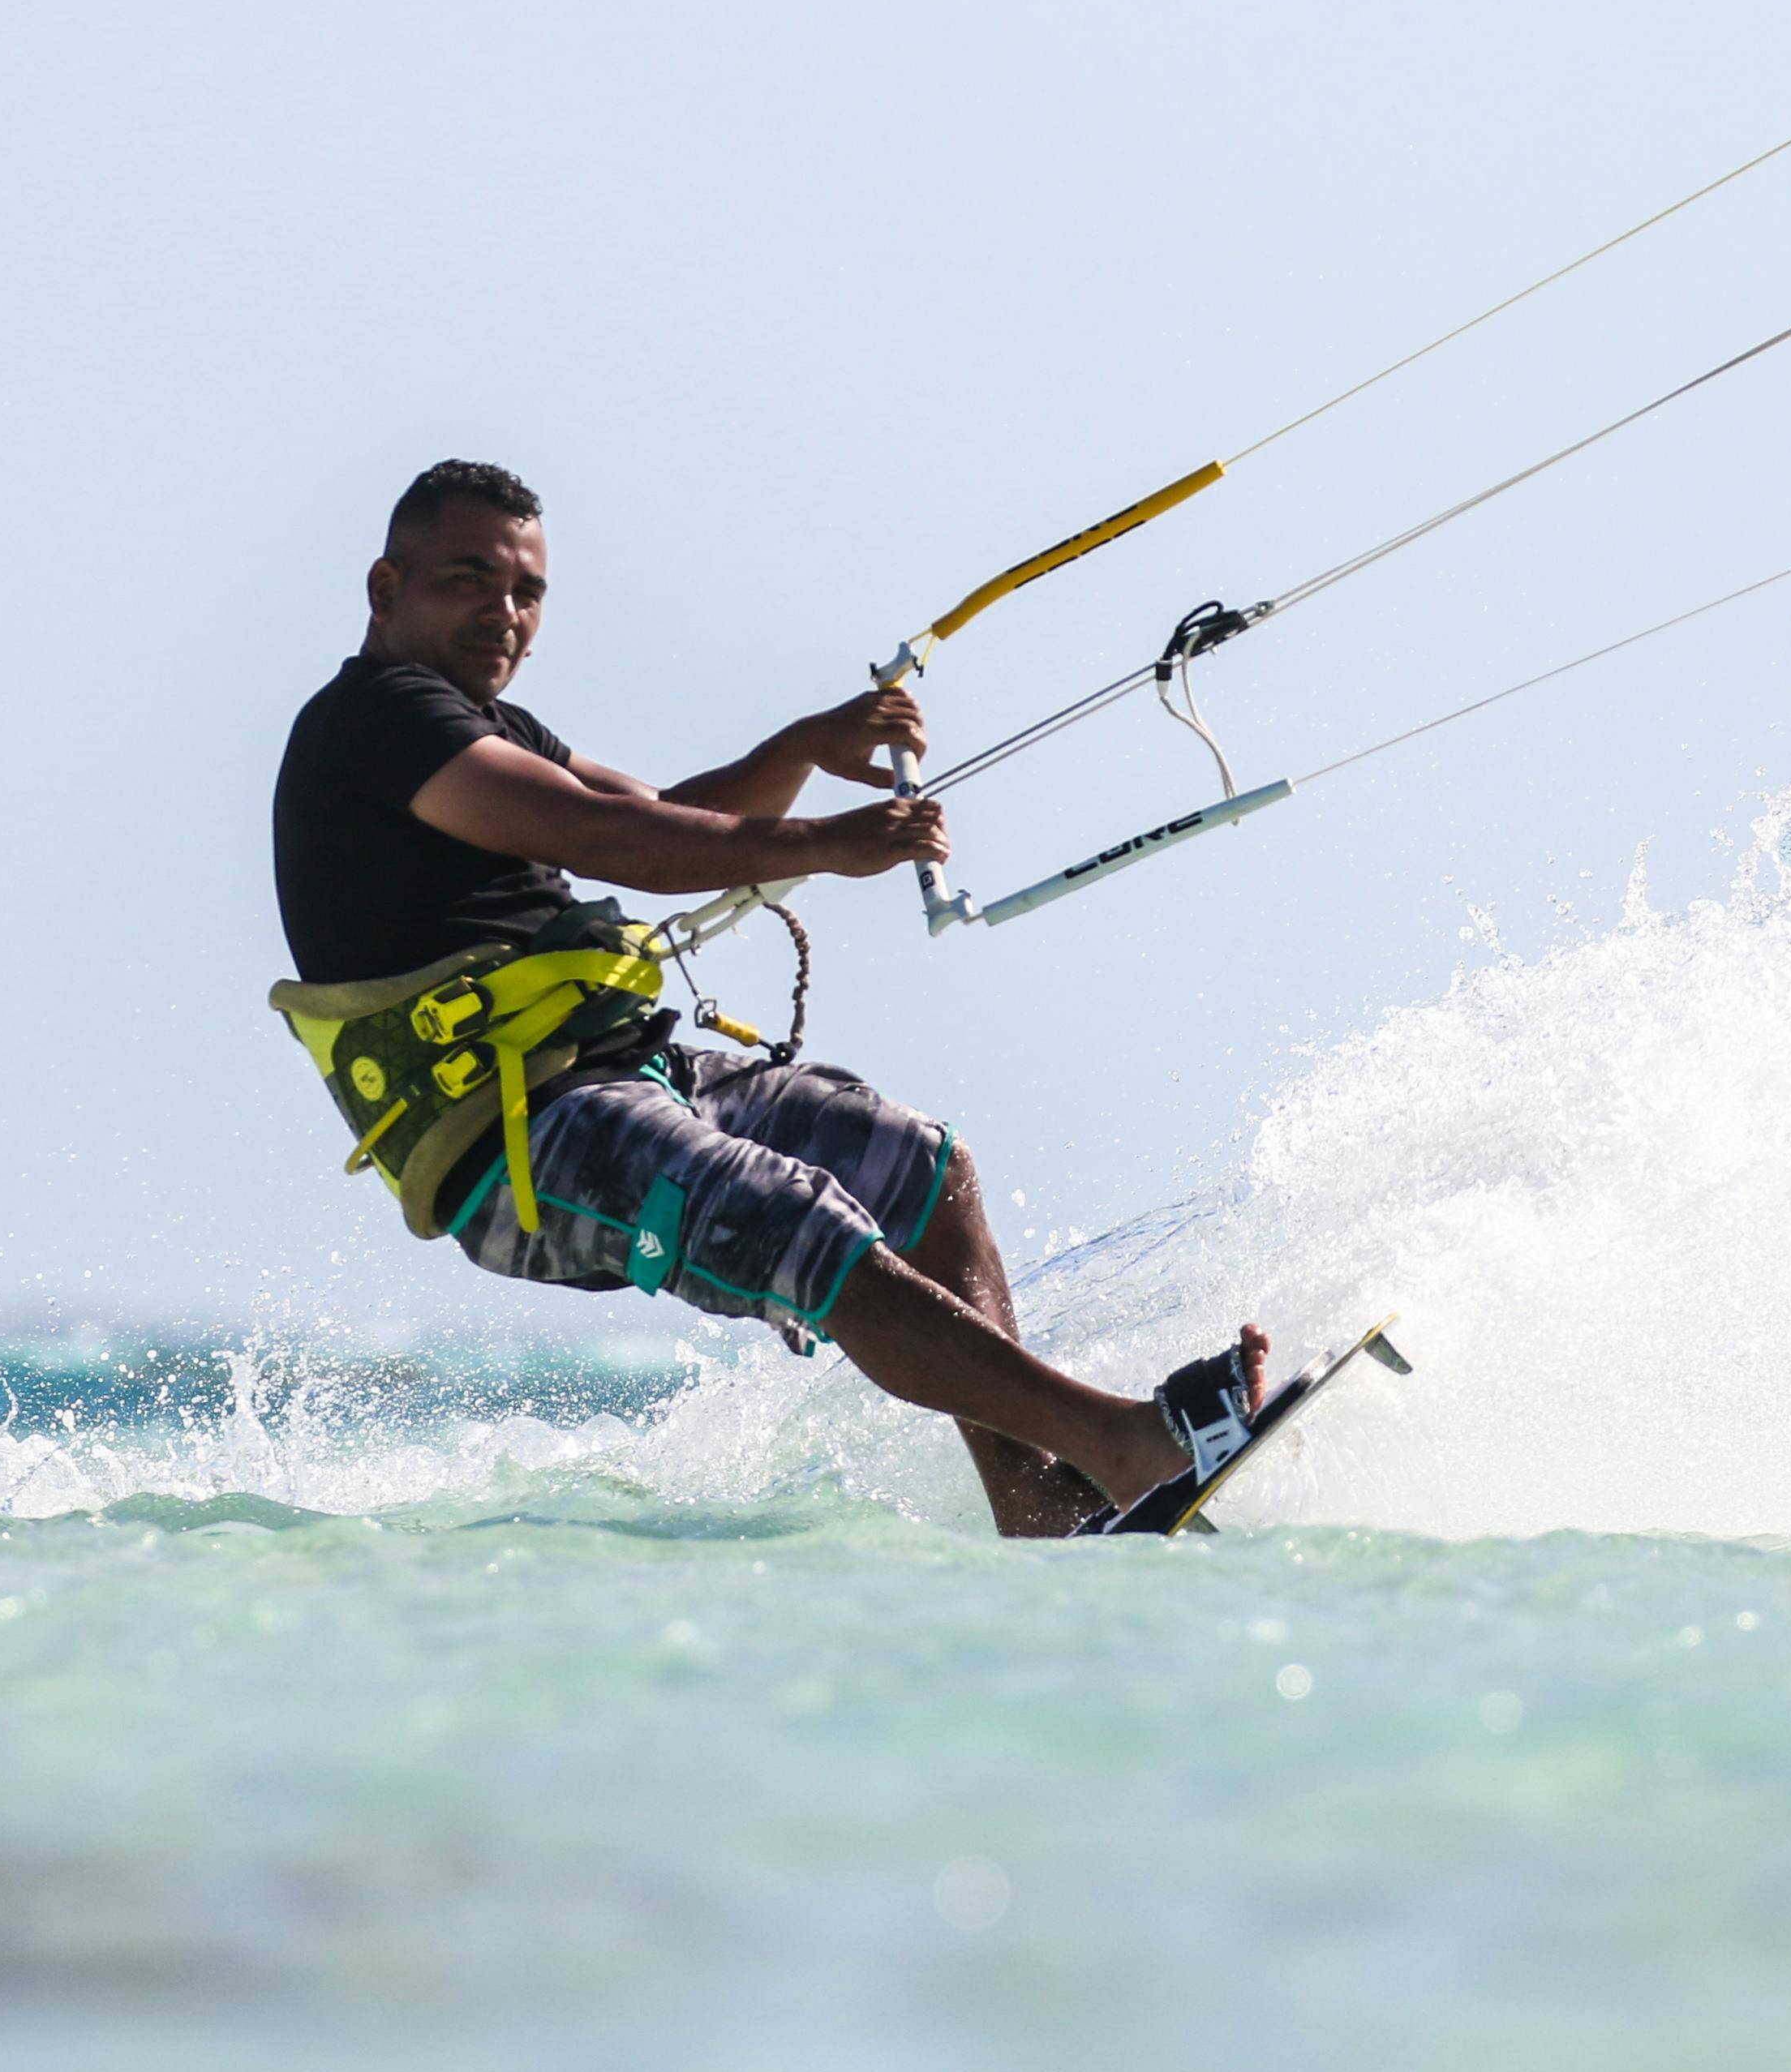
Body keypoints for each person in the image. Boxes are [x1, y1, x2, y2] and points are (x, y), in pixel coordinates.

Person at [268, 457, 1273, 1538]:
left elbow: (670, 809)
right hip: (516, 1145)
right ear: (386, 587)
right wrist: (835, 844)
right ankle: (1122, 1439)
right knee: (806, 1220)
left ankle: (1033, 1502)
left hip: (622, 1077)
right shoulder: (376, 720)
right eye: (470, 580)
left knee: (928, 1173)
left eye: (528, 591)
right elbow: (618, 843)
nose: (505, 613)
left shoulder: (486, 724)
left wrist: (802, 748)